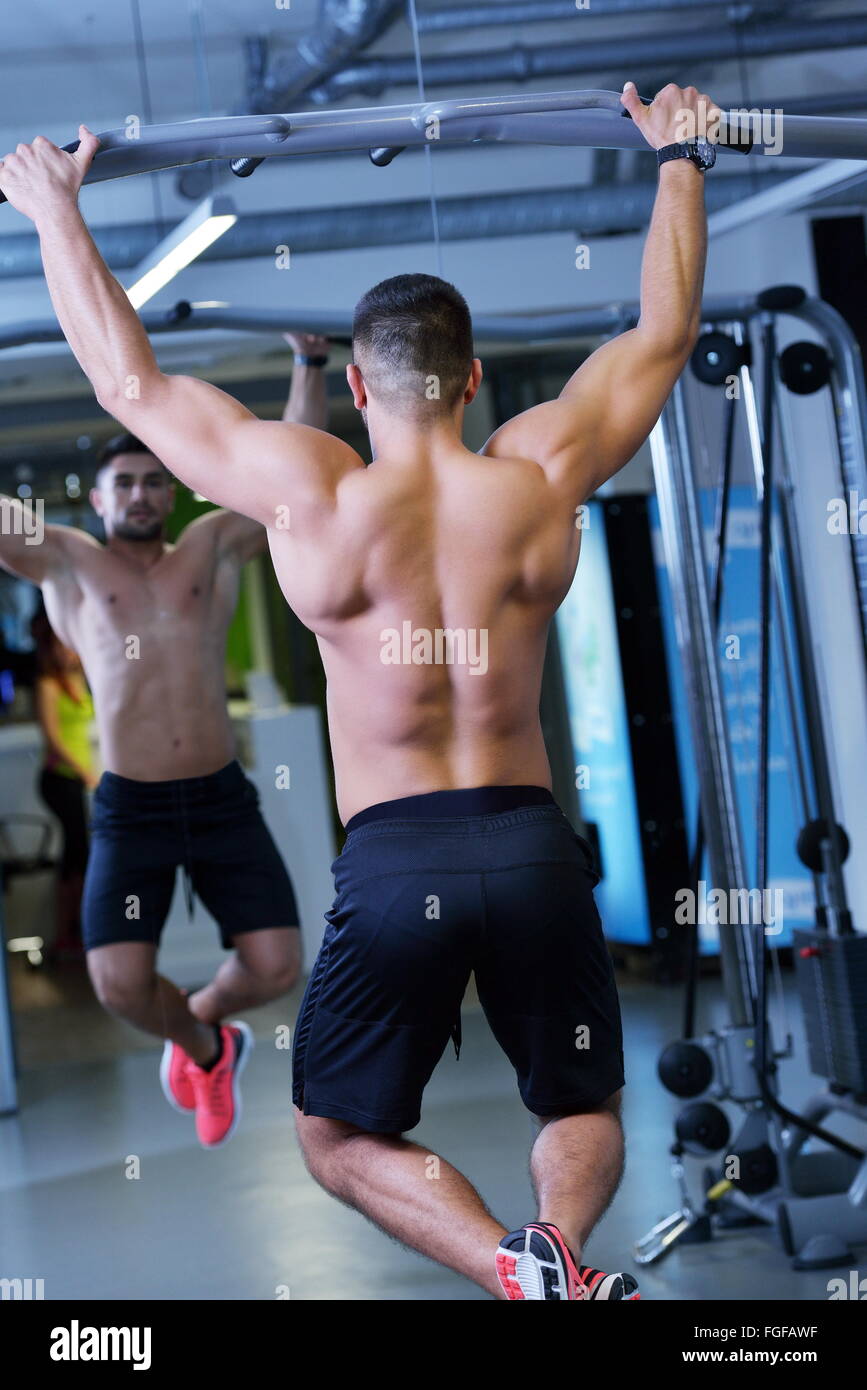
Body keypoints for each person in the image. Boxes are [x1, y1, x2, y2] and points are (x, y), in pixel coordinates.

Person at [0, 79, 713, 1296]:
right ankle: (560, 1246)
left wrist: (53, 210)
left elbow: (130, 388)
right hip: (534, 844)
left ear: (366, 389)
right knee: (582, 1091)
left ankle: (512, 1265)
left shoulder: (308, 490)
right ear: (474, 377)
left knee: (335, 1135)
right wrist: (682, 162)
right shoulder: (540, 474)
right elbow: (662, 338)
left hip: (394, 864)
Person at [0, 338, 330, 1149]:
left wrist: (310, 367)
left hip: (220, 796)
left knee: (278, 967)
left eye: (153, 481)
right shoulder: (69, 564)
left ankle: (212, 1023)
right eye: (124, 484)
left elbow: (294, 476)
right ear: (100, 499)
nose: (140, 495)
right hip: (132, 809)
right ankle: (203, 1048)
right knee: (118, 986)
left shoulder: (211, 548)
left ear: (171, 491)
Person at [31, 604, 96, 958]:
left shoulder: (79, 680)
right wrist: (84, 771)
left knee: (76, 854)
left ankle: (76, 931)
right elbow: (53, 740)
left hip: (79, 780)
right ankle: (69, 932)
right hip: (59, 779)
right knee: (77, 854)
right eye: (61, 645)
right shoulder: (47, 685)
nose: (68, 651)